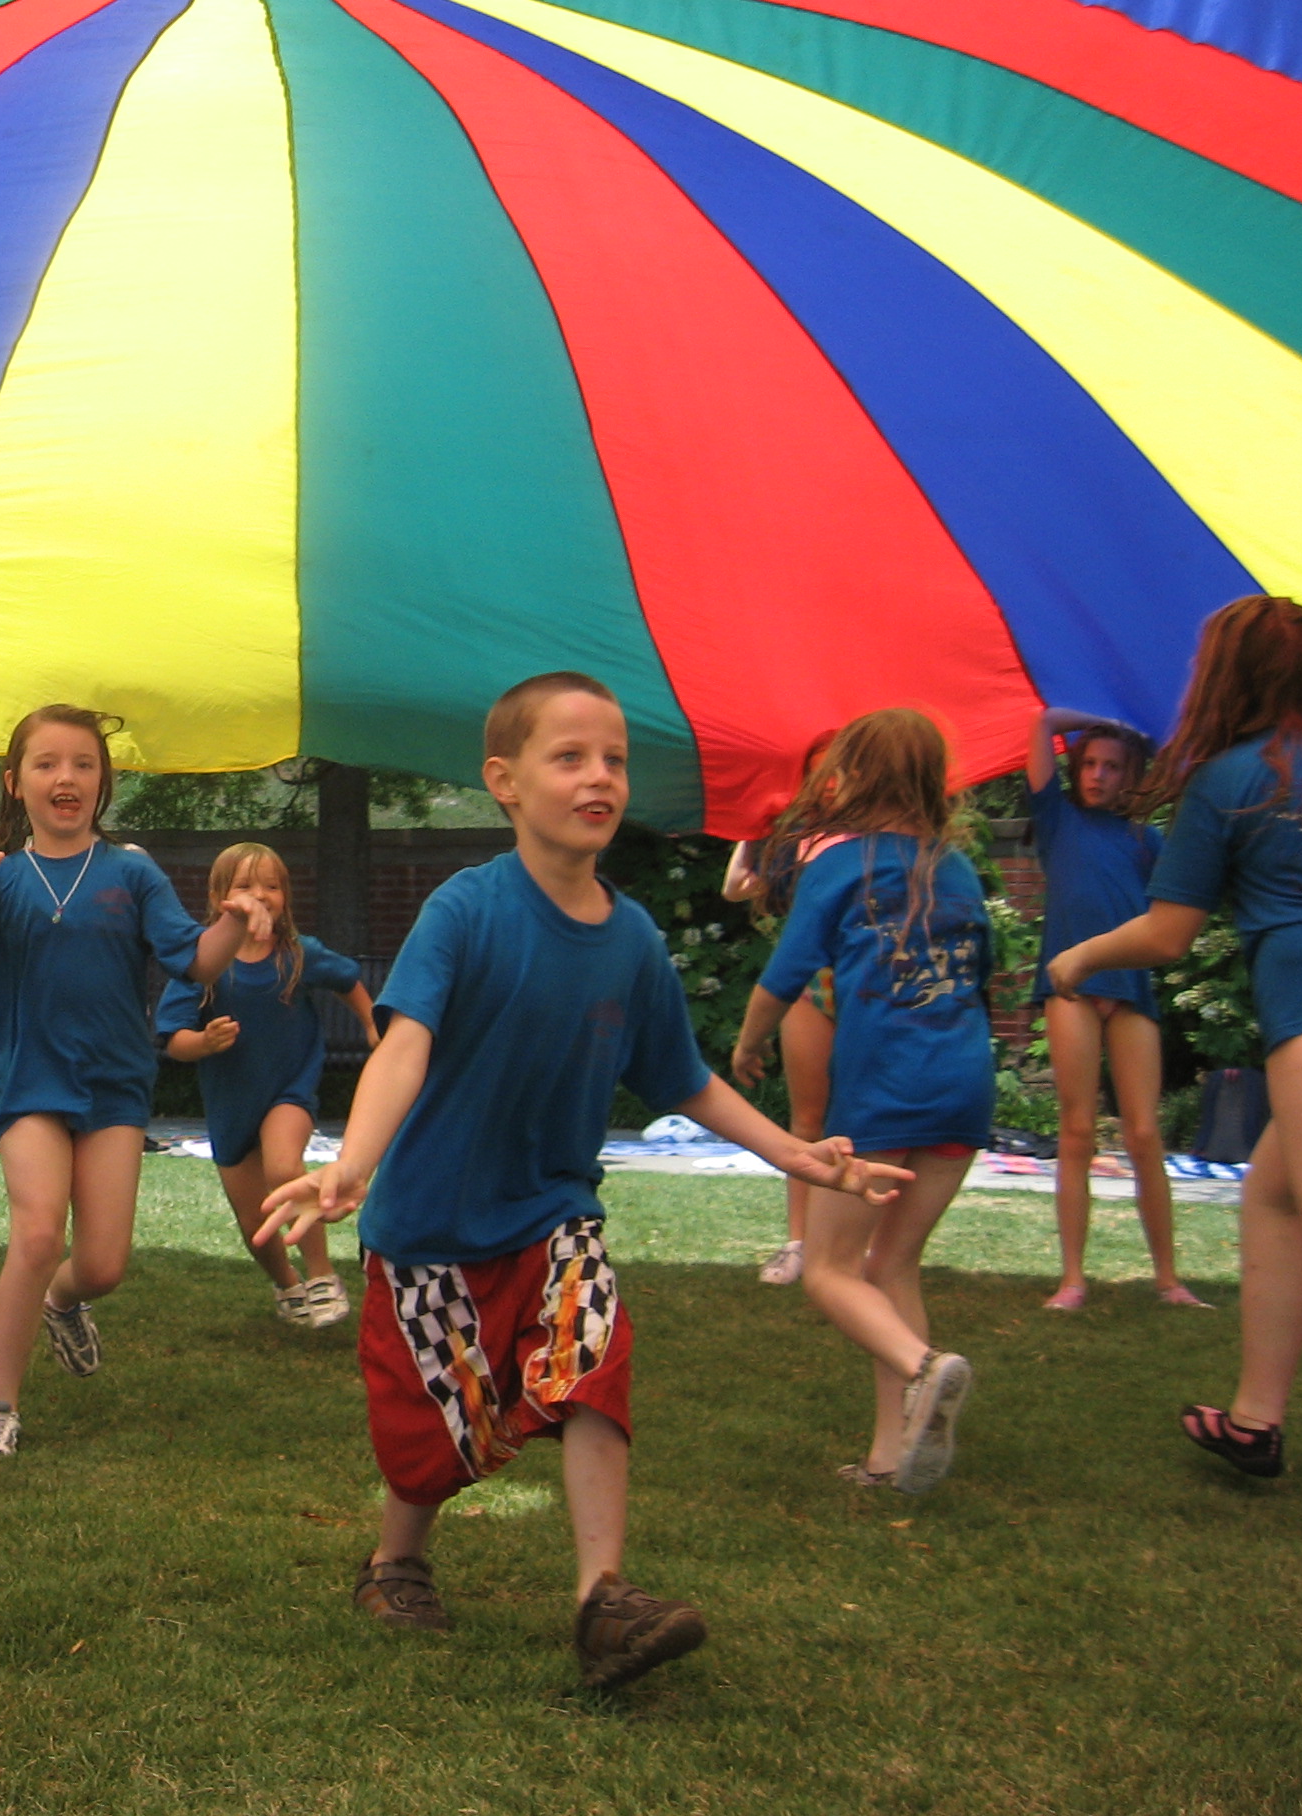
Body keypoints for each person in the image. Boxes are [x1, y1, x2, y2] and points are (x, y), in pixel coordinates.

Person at [259, 674, 901, 1689]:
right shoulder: (464, 911)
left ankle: (603, 1600)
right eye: (570, 758)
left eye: (613, 758)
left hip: (556, 1211)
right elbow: (404, 1047)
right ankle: (398, 1561)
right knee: (438, 1442)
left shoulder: (634, 939)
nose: (599, 776)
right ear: (505, 784)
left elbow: (682, 1076)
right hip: (431, 1230)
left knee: (593, 1364)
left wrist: (795, 1152)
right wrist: (353, 1165)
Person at [0, 705, 265, 1457]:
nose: (66, 777)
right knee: (36, 1236)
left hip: (114, 1088)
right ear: (15, 783)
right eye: (46, 764)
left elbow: (194, 961)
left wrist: (232, 923)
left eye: (83, 765)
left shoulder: (131, 873)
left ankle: (64, 1303)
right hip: (31, 1082)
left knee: (102, 1263)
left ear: (104, 783)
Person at [1049, 596, 1302, 1480]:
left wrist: (1076, 960)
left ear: (1226, 677)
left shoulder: (1230, 779)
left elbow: (1168, 932)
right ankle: (1254, 1423)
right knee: (1277, 1197)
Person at [733, 708, 991, 1495]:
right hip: (963, 1092)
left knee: (831, 1269)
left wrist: (747, 1046)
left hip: (885, 1096)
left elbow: (785, 976)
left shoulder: (839, 867)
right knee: (892, 1264)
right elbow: (982, 970)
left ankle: (922, 1368)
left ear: (852, 776)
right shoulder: (959, 869)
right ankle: (893, 1455)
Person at [156, 842, 376, 1327]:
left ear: (286, 896)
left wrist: (370, 1025)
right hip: (231, 1101)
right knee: (255, 1222)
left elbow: (348, 980)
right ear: (219, 899)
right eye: (246, 885)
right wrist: (205, 1041)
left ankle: (320, 1276)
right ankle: (286, 1283)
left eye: (272, 885)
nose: (261, 894)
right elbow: (173, 1040)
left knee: (283, 1166)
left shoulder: (298, 955)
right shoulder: (203, 963)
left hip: (288, 1089)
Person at [1024, 709, 1195, 1309]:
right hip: (1068, 990)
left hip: (1130, 991)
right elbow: (1043, 724)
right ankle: (1072, 1279)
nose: (1098, 775)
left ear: (1131, 776)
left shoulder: (1147, 840)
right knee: (1075, 1132)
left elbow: (1170, 913)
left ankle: (1169, 1280)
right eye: (1090, 763)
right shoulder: (1056, 820)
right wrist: (1103, 716)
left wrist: (1147, 735)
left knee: (1144, 1133)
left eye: (1112, 766)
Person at [722, 733, 845, 1287]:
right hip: (808, 984)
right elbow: (734, 887)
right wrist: (752, 825)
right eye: (820, 770)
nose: (830, 781)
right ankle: (798, 1243)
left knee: (866, 1119)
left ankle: (852, 1246)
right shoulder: (790, 836)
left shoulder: (875, 836)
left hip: (868, 982)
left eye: (840, 769)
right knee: (807, 1119)